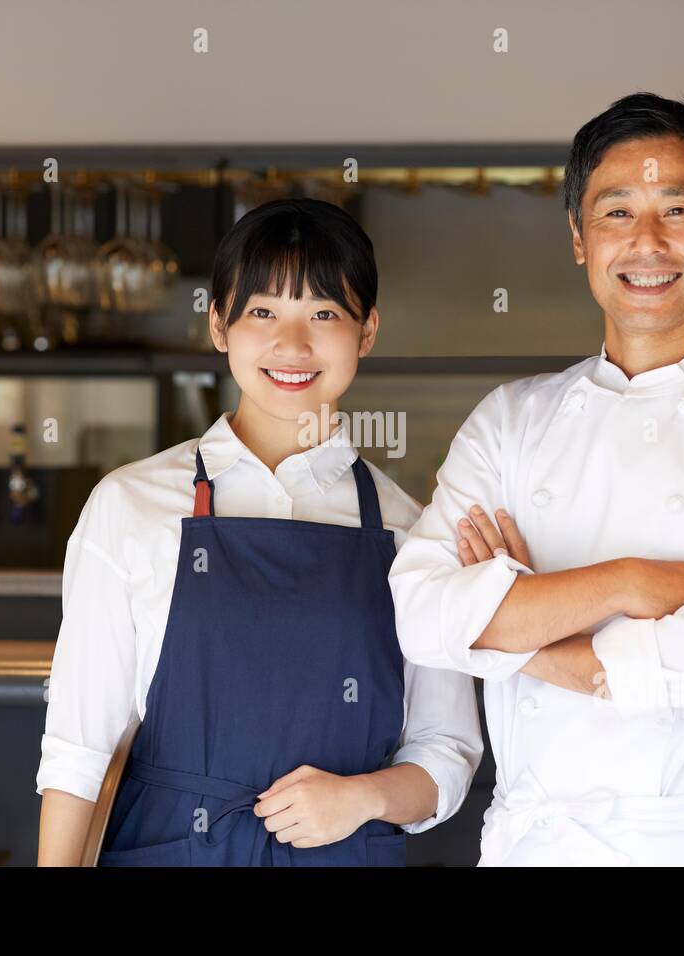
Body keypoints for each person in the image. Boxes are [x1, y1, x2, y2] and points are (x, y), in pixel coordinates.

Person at [388, 92, 684, 866]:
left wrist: (509, 635)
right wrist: (627, 582)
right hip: (531, 844)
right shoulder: (511, 420)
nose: (647, 242)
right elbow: (424, 618)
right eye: (617, 212)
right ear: (579, 238)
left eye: (677, 210)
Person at [37, 197, 482, 866]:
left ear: (366, 332)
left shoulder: (413, 530)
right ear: (220, 326)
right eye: (263, 312)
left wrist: (363, 797)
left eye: (324, 314)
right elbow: (78, 750)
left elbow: (445, 752)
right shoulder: (130, 506)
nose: (292, 345)